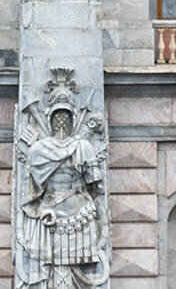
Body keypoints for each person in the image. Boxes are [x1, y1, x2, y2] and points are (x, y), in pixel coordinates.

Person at [16, 77, 108, 289]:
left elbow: (94, 184)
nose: (61, 120)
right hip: (55, 217)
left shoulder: (80, 147)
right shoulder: (45, 150)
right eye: (60, 115)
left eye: (63, 115)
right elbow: (94, 185)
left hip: (78, 219)